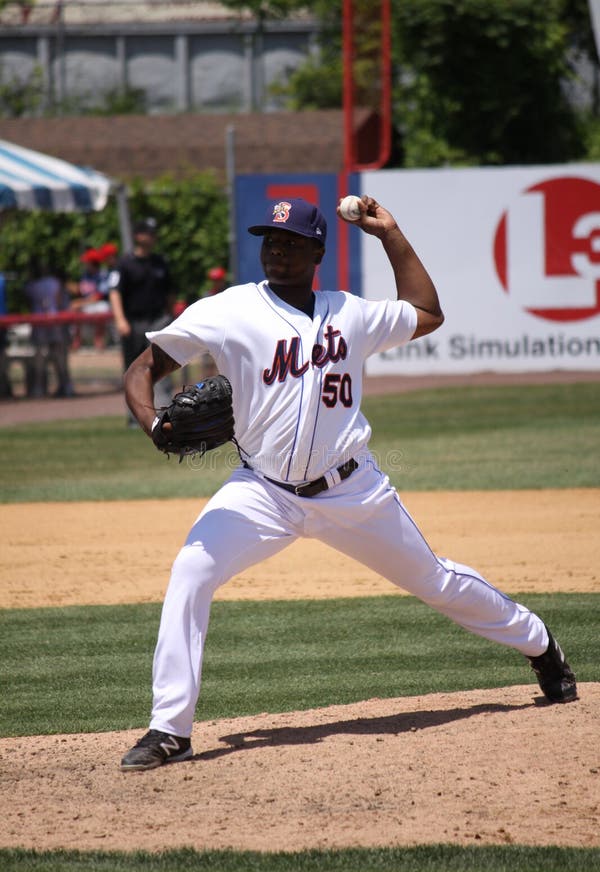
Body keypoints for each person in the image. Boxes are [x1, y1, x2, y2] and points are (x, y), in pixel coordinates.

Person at [119, 196, 578, 772]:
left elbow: (427, 312)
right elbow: (143, 368)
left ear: (317, 250)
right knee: (192, 571)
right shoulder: (227, 310)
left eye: (290, 241)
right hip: (262, 491)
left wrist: (392, 236)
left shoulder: (351, 313)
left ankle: (539, 643)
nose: (277, 249)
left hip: (352, 491)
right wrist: (153, 422)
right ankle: (171, 729)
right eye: (269, 239)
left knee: (436, 581)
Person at [108, 218, 175, 422]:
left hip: (157, 320)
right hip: (133, 322)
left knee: (161, 366)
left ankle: (164, 412)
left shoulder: (159, 262)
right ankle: (135, 418)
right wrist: (120, 319)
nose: (152, 237)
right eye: (148, 233)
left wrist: (171, 318)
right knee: (133, 370)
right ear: (138, 235)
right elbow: (114, 292)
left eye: (154, 233)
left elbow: (170, 292)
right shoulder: (125, 264)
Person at [24, 263, 74, 398]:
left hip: (42, 324)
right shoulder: (54, 283)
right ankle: (65, 387)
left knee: (41, 356)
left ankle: (40, 389)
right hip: (55, 323)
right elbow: (59, 303)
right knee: (59, 357)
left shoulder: (32, 285)